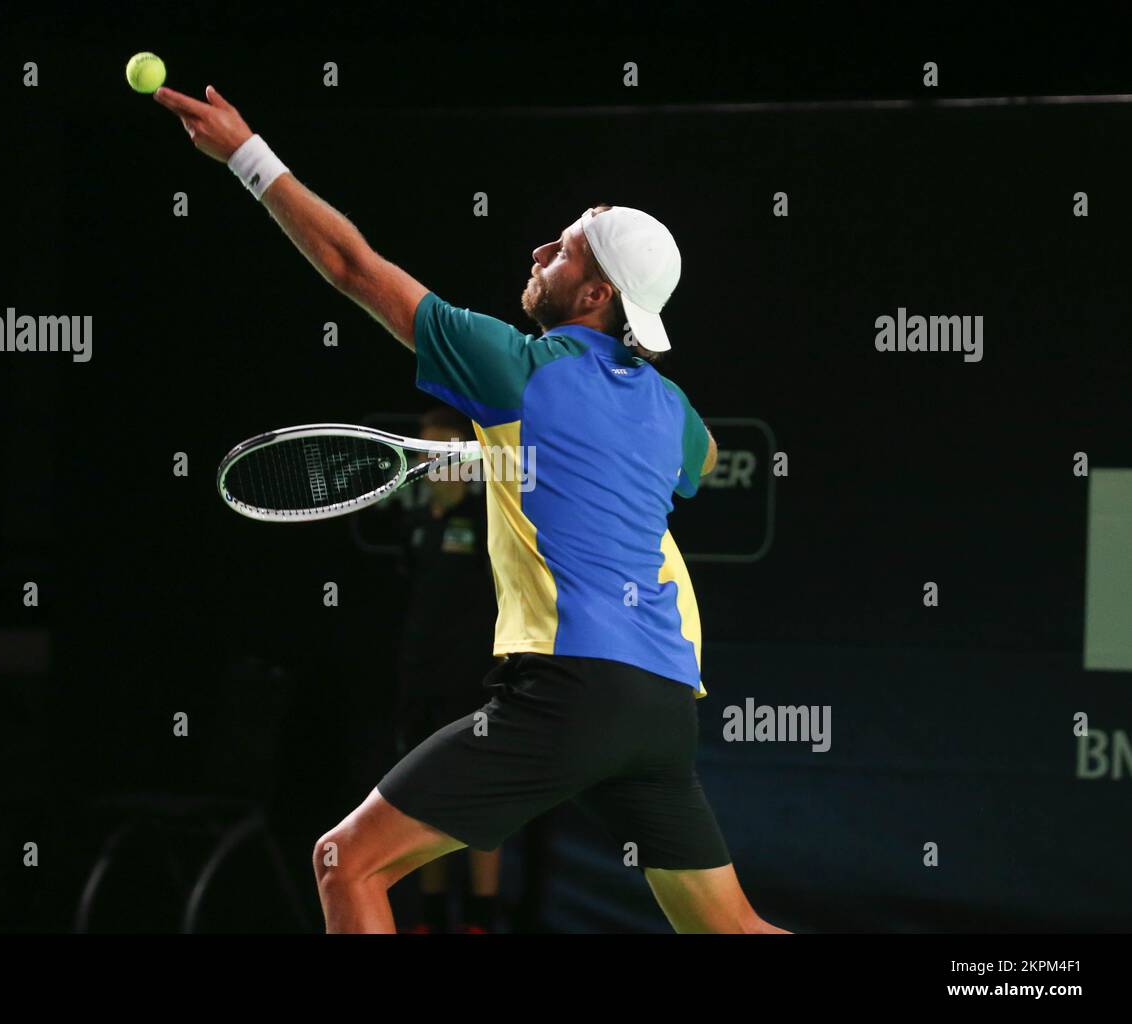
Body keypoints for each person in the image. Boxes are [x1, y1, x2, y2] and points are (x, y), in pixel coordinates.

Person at [156, 83, 789, 934]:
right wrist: (533, 454)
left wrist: (244, 154)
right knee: (735, 931)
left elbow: (351, 267)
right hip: (662, 705)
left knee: (347, 864)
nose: (538, 252)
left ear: (597, 295)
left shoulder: (513, 366)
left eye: (562, 251)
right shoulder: (668, 407)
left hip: (572, 688)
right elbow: (703, 461)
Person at [392, 406, 501, 934]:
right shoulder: (414, 528)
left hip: (475, 688)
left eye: (441, 455)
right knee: (426, 806)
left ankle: (481, 919)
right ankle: (430, 921)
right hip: (421, 686)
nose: (430, 465)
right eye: (423, 454)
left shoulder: (486, 523)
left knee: (480, 806)